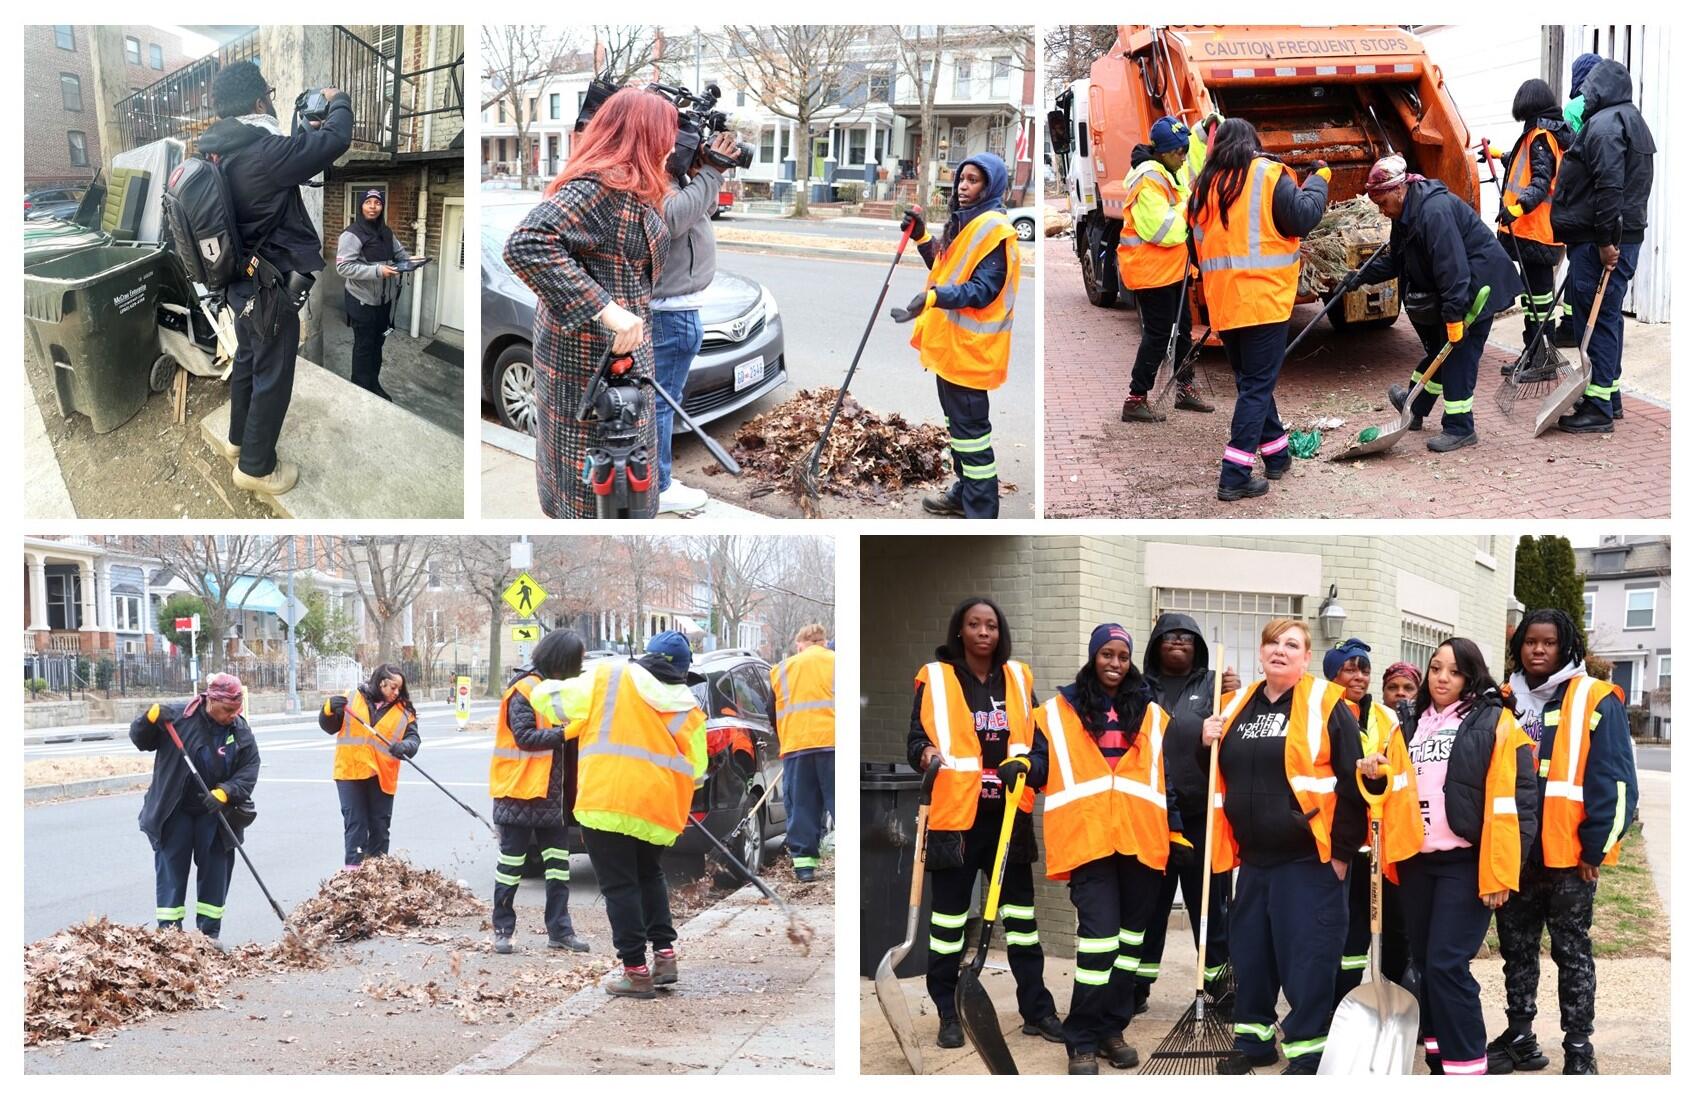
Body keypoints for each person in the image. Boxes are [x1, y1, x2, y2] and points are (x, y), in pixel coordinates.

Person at [1200, 618, 1367, 1073]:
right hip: (1253, 860)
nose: (1280, 650)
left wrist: (1341, 853)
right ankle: (1253, 1042)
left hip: (1309, 860)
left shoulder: (1325, 704)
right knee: (1251, 958)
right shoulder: (1235, 707)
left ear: (1307, 657)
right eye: (1273, 642)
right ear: (1260, 651)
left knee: (1307, 961)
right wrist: (1204, 741)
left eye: (1291, 644)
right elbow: (1213, 772)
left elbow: (1356, 785)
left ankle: (1307, 1051)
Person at [504, 89, 677, 518]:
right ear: (644, 135)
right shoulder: (599, 188)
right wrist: (606, 308)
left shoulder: (631, 189)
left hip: (618, 370)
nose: (672, 145)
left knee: (624, 493)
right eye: (666, 134)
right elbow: (527, 243)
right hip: (586, 371)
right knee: (590, 496)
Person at [1014, 624, 1176, 1074]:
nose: (1115, 663)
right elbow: (1043, 762)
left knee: (1129, 946)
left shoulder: (1151, 713)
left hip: (1141, 841)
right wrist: (1025, 764)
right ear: (1093, 657)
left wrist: (1176, 832)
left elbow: (1167, 779)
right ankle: (1080, 1037)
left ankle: (1111, 1028)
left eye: (1122, 656)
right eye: (1107, 654)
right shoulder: (1057, 712)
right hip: (1088, 840)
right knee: (1100, 940)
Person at [1370, 639, 1538, 1076]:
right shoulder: (1407, 724)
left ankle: (1468, 1066)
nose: (1442, 677)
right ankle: (1440, 1057)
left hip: (1464, 861)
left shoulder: (1495, 722)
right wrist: (1376, 768)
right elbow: (1396, 787)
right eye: (1436, 668)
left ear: (1470, 676)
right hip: (1416, 861)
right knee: (1424, 964)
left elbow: (1517, 805)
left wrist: (1502, 871)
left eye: (1454, 670)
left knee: (1447, 964)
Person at [1488, 609, 1639, 1075]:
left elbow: (1616, 783)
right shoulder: (1504, 699)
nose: (1538, 649)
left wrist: (1596, 847)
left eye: (1549, 642)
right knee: (1516, 950)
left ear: (1566, 647)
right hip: (1516, 853)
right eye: (1530, 642)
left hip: (1570, 857)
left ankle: (1579, 1047)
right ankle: (1520, 1037)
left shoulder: (1596, 698)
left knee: (1571, 952)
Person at [908, 597, 1061, 1049]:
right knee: (948, 924)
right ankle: (947, 1010)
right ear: (960, 630)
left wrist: (1029, 765)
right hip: (956, 824)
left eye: (991, 625)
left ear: (1000, 632)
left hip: (1009, 819)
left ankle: (1037, 1008)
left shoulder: (1017, 678)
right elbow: (915, 739)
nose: (983, 632)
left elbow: (1038, 745)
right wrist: (927, 755)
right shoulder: (935, 678)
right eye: (974, 624)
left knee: (1023, 922)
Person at [197, 62, 352, 497]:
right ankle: (257, 468)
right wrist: (338, 98)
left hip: (238, 283)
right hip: (270, 287)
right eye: (270, 92)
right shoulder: (265, 154)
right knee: (274, 373)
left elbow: (289, 162)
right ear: (259, 101)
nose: (273, 98)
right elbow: (335, 139)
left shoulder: (221, 152)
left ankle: (237, 442)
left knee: (248, 360)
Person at [531, 631, 707, 998]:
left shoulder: (611, 676)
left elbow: (552, 704)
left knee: (619, 886)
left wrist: (542, 680)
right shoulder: (689, 706)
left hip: (608, 801)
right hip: (657, 810)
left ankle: (635, 971)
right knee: (649, 875)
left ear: (646, 656)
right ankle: (664, 956)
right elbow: (698, 770)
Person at [1188, 118, 1328, 501]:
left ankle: (1278, 456)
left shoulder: (1203, 187)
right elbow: (1302, 216)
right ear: (1253, 143)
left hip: (1225, 305)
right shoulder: (1267, 175)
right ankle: (1234, 474)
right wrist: (1320, 180)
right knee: (1255, 387)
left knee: (1252, 382)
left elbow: (1193, 249)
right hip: (1264, 302)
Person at [1358, 154, 1523, 453]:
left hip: (1477, 283)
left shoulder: (1433, 213)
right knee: (1439, 351)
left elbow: (1453, 272)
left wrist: (1453, 319)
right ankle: (1415, 404)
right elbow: (1397, 262)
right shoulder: (1404, 215)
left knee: (1458, 355)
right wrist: (1356, 277)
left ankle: (1460, 427)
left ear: (1398, 190)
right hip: (1458, 284)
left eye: (1382, 204)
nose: (1382, 212)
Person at [894, 152, 1022, 519]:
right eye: (961, 179)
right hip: (951, 353)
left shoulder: (994, 230)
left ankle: (982, 513)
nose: (963, 187)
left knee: (973, 438)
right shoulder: (967, 225)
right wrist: (921, 236)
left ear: (991, 186)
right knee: (959, 433)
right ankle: (965, 493)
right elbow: (946, 266)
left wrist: (933, 297)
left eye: (973, 180)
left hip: (971, 355)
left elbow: (982, 289)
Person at [1135, 613, 1240, 1014]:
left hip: (1200, 816)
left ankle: (1219, 985)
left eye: (1186, 637)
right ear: (1156, 644)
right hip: (1152, 813)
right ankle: (1137, 987)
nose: (1177, 643)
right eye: (1168, 637)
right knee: (1150, 907)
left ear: (1197, 645)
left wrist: (1233, 695)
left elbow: (1235, 732)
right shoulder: (1139, 687)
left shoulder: (1214, 685)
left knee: (1209, 906)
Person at [1550, 59, 1655, 432]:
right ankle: (1608, 394)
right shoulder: (1632, 120)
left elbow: (1610, 187)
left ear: (1597, 89)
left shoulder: (1607, 124)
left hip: (1601, 241)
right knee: (1607, 316)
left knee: (1594, 320)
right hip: (1619, 236)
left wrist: (1606, 241)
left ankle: (1597, 409)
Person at [650, 132, 744, 514]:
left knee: (662, 402)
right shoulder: (658, 183)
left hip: (678, 311)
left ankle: (657, 480)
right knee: (661, 404)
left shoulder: (675, 181)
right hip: (670, 315)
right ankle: (659, 487)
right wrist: (711, 171)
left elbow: (693, 213)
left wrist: (701, 172)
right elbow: (673, 220)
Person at [130, 674, 259, 950]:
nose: (231, 716)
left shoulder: (239, 730)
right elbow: (141, 739)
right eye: (227, 710)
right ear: (210, 700)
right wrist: (148, 719)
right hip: (173, 810)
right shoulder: (177, 717)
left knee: (215, 873)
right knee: (171, 873)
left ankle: (208, 937)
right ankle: (170, 938)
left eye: (236, 710)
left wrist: (226, 792)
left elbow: (249, 769)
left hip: (215, 813)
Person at [1323, 638, 1414, 1008]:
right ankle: (1335, 1000)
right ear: (1332, 674)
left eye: (1364, 669)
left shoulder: (1386, 718)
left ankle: (1377, 999)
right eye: (1350, 668)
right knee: (1342, 929)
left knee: (1379, 927)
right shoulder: (1322, 712)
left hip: (1379, 839)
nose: (1359, 676)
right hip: (1339, 837)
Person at [489, 630, 591, 955]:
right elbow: (525, 737)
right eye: (576, 661)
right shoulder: (524, 690)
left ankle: (560, 931)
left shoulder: (559, 690)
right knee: (511, 866)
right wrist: (565, 733)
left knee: (559, 867)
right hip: (518, 792)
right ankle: (503, 931)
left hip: (550, 795)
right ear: (562, 661)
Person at [1119, 116, 1214, 421]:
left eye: (1185, 149)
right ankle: (1135, 399)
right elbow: (1161, 230)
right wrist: (1189, 210)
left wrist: (1204, 128)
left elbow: (1197, 157)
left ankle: (1184, 390)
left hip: (1173, 271)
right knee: (1158, 336)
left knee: (1183, 331)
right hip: (1151, 273)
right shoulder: (1148, 179)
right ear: (1161, 151)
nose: (1184, 156)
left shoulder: (1172, 167)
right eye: (1178, 152)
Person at [1492, 80, 1573, 365]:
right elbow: (1530, 168)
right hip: (1540, 231)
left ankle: (1541, 358)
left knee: (1538, 299)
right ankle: (1535, 354)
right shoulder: (1550, 132)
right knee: (1535, 298)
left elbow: (1540, 181)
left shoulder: (1540, 135)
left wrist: (1517, 207)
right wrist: (1502, 156)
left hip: (1535, 230)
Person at [320, 664, 420, 867]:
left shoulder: (403, 712)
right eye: (392, 687)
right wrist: (328, 709)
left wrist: (406, 746)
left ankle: (377, 874)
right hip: (350, 772)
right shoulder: (351, 698)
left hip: (382, 777)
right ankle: (354, 875)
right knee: (355, 825)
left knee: (379, 828)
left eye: (399, 688)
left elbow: (414, 739)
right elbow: (329, 726)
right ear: (380, 681)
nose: (396, 692)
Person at [771, 623, 836, 881]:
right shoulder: (837, 662)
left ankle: (805, 867)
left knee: (802, 807)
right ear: (823, 642)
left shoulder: (782, 669)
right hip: (833, 744)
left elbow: (770, 711)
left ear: (800, 645)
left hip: (797, 747)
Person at [1551, 53, 1607, 346]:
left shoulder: (1574, 107)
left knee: (1578, 260)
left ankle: (1573, 324)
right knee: (1588, 263)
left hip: (1575, 195)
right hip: (1600, 198)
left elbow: (1565, 153)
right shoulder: (1609, 107)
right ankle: (1581, 320)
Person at [335, 189, 411, 400]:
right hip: (362, 301)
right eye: (368, 202)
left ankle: (373, 385)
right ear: (361, 206)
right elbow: (343, 268)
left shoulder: (386, 232)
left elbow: (400, 254)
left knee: (378, 344)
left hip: (384, 302)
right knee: (364, 346)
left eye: (377, 202)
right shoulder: (352, 234)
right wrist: (377, 271)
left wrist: (411, 261)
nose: (372, 206)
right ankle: (359, 391)